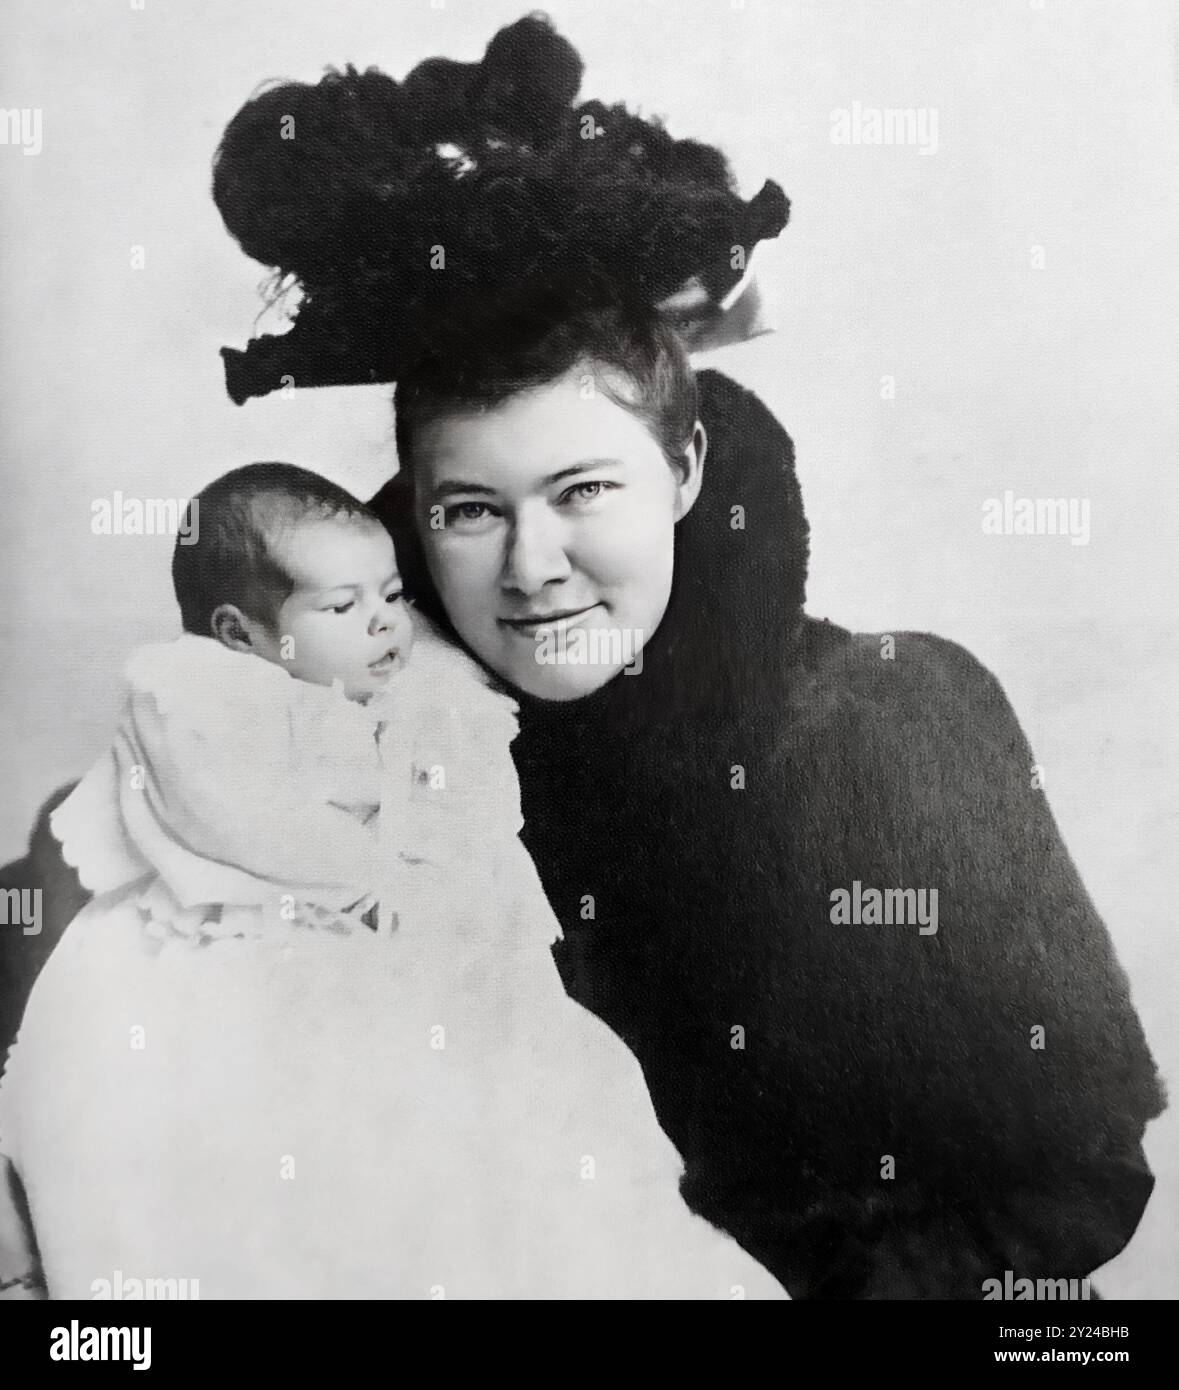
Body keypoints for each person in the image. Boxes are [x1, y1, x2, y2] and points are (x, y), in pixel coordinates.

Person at [0, 13, 1166, 1299]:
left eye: (582, 490)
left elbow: (1077, 1188)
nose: (531, 564)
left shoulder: (895, 721)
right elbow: (108, 893)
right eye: (469, 509)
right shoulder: (367, 750)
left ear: (684, 468)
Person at [0, 462, 787, 1300]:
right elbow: (233, 820)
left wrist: (431, 828)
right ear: (240, 634)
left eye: (390, 595)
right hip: (240, 934)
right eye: (342, 608)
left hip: (393, 938)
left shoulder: (418, 693)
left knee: (518, 1110)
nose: (385, 627)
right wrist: (360, 868)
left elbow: (472, 814)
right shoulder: (203, 703)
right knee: (248, 1119)